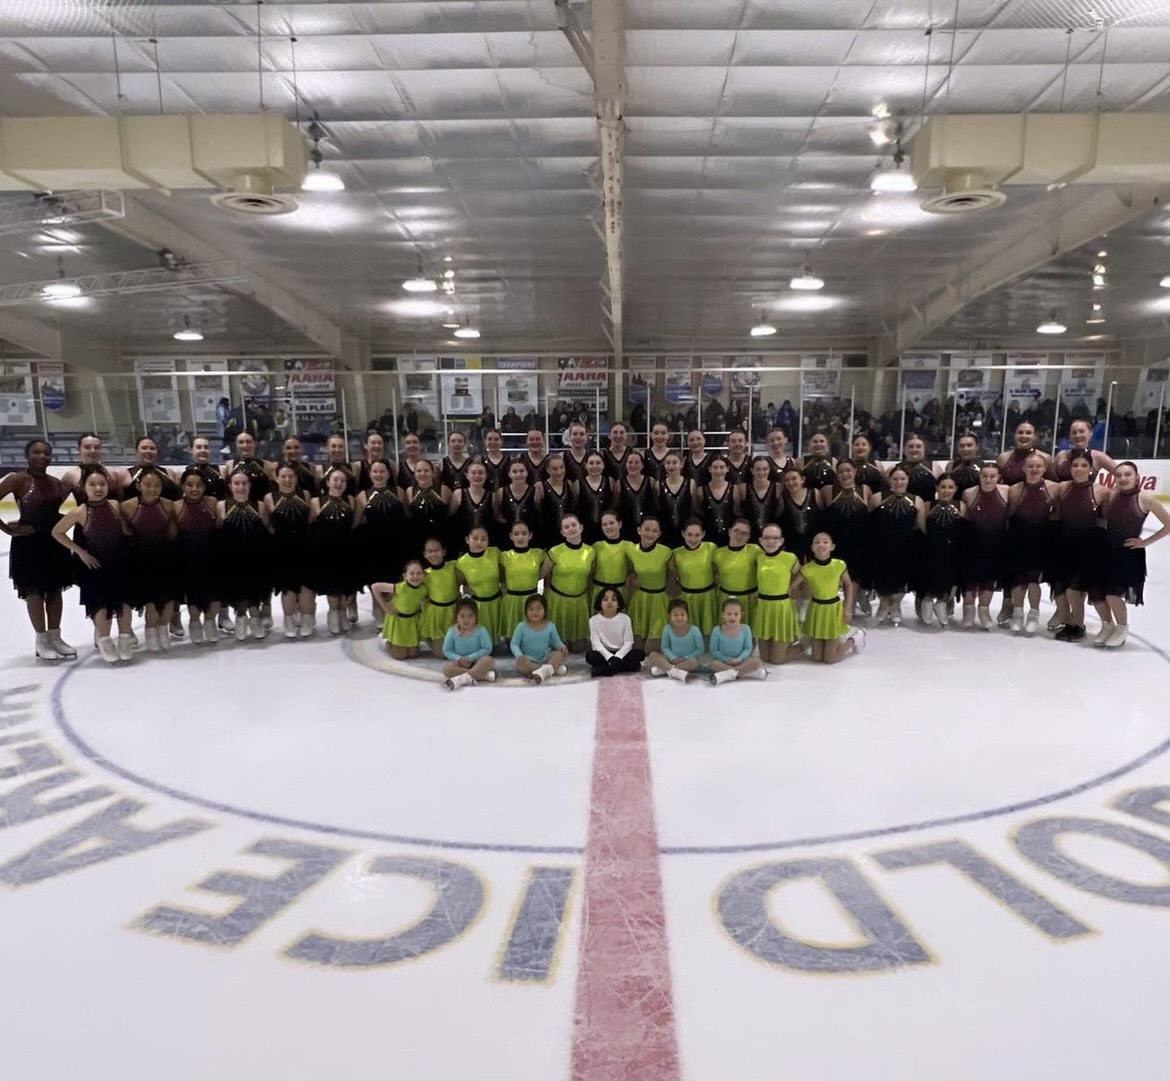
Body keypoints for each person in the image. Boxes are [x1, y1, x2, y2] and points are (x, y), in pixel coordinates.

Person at [0, 439, 76, 661]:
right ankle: (41, 640)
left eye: (46, 453)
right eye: (37, 452)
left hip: (53, 542)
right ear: (27, 455)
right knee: (34, 592)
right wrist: (7, 530)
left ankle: (56, 637)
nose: (42, 456)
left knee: (54, 591)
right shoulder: (17, 479)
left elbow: (52, 513)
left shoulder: (55, 482)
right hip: (29, 542)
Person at [51, 470, 134, 664]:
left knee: (124, 602)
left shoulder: (114, 505)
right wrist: (81, 552)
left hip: (118, 563)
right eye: (93, 485)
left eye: (102, 485)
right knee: (101, 604)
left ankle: (124, 639)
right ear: (84, 488)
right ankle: (105, 641)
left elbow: (124, 530)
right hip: (96, 566)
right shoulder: (80, 511)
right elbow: (57, 532)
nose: (98, 489)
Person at [1090, 461, 1170, 648]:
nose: (1123, 478)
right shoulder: (1112, 495)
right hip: (1105, 550)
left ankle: (1121, 627)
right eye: (1119, 475)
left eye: (1127, 475)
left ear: (1136, 478)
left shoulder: (1146, 498)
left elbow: (1168, 524)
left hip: (1127, 553)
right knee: (1096, 592)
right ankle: (1106, 625)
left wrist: (1145, 542)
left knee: (1113, 594)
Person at [1050, 449, 1107, 643]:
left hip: (1087, 547)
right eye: (1075, 465)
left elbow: (1106, 519)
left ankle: (1079, 626)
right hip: (1063, 544)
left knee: (1075, 590)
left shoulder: (1101, 491)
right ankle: (1068, 623)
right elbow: (1056, 514)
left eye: (1084, 465)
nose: (1079, 469)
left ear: (1091, 469)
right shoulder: (1062, 487)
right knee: (1059, 590)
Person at [120, 469, 177, 654]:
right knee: (150, 601)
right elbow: (125, 534)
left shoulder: (169, 505)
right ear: (138, 485)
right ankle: (150, 630)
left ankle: (163, 628)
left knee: (168, 600)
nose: (152, 489)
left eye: (157, 486)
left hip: (165, 558)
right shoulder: (127, 506)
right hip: (141, 559)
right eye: (148, 485)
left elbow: (172, 533)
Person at [1004, 451, 1060, 635]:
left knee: (1034, 580)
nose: (1034, 469)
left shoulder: (1054, 488)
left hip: (1041, 538)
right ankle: (1018, 613)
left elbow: (1057, 513)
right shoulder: (1015, 489)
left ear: (1044, 468)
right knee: (1019, 579)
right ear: (1024, 468)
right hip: (1019, 538)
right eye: (1030, 466)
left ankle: (1034, 614)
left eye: (1038, 466)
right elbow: (1010, 514)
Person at [217, 470, 272, 642]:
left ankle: (255, 619)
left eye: (244, 483)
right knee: (237, 590)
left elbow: (267, 530)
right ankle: (241, 618)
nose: (241, 487)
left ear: (249, 485)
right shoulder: (221, 506)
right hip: (231, 557)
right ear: (230, 486)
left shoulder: (260, 506)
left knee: (254, 588)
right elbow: (217, 531)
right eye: (236, 483)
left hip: (254, 556)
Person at [264, 464, 317, 638]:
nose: (287, 480)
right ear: (277, 479)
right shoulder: (269, 498)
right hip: (282, 547)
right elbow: (267, 524)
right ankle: (288, 619)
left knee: (306, 584)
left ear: (296, 478)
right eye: (283, 476)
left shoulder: (305, 495)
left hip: (304, 545)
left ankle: (308, 617)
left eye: (291, 476)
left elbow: (310, 520)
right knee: (287, 586)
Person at [868, 465, 925, 626]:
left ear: (908, 480)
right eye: (895, 479)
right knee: (882, 575)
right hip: (882, 545)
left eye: (902, 479)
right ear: (889, 480)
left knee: (901, 576)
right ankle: (884, 603)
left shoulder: (916, 500)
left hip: (905, 545)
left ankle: (896, 604)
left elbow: (920, 526)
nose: (899, 482)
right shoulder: (877, 498)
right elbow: (870, 522)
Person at [801, 531, 866, 664]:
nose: (821, 545)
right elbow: (791, 586)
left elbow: (848, 585)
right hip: (816, 610)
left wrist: (847, 608)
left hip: (833, 610)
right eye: (817, 542)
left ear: (832, 546)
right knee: (816, 657)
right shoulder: (807, 568)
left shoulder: (839, 565)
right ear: (812, 547)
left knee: (830, 658)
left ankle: (855, 638)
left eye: (825, 542)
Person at [818, 459, 872, 616]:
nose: (845, 474)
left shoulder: (865, 490)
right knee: (836, 573)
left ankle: (850, 605)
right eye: (841, 471)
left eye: (848, 470)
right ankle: (832, 605)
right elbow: (822, 514)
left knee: (855, 575)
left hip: (859, 539)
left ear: (855, 471)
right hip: (836, 539)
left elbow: (869, 513)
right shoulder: (828, 491)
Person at [174, 469, 222, 645]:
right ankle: (195, 622)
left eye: (199, 485)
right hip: (188, 557)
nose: (195, 489)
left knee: (214, 593)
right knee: (193, 594)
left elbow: (218, 527)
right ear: (183, 486)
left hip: (211, 555)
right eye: (190, 485)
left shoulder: (212, 502)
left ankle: (210, 621)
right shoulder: (176, 506)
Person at [960, 462, 1011, 630]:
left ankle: (983, 610)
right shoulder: (969, 493)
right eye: (984, 476)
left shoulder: (1006, 492)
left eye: (992, 476)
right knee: (971, 579)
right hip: (973, 542)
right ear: (979, 477)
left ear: (999, 478)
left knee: (989, 578)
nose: (988, 480)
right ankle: (968, 611)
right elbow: (965, 519)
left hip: (996, 543)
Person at [355, 460, 407, 618]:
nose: (379, 475)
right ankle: (378, 610)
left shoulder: (399, 492)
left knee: (394, 581)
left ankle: (393, 612)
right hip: (374, 546)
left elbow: (407, 517)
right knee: (376, 580)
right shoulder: (362, 496)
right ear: (370, 474)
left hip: (396, 544)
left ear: (389, 474)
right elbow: (357, 522)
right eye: (375, 471)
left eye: (382, 471)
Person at [542, 513, 595, 651]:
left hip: (579, 602)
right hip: (557, 602)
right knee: (559, 648)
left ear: (581, 527)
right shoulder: (555, 551)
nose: (571, 529)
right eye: (566, 527)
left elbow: (592, 576)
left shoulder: (591, 551)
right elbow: (541, 574)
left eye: (573, 525)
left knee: (578, 649)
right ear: (562, 532)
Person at [917, 474, 964, 627]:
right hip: (932, 548)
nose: (946, 490)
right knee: (930, 577)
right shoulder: (927, 505)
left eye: (950, 487)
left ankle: (942, 602)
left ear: (955, 489)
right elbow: (922, 527)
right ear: (937, 488)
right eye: (943, 487)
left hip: (953, 550)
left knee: (950, 581)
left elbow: (965, 529)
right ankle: (927, 601)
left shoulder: (961, 506)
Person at [752, 523, 802, 665]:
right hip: (764, 608)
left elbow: (803, 573)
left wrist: (792, 587)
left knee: (777, 659)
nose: (771, 541)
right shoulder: (759, 557)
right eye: (767, 538)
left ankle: (805, 644)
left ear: (781, 541)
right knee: (765, 658)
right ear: (761, 540)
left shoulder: (790, 558)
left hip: (781, 608)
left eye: (775, 538)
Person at [626, 516, 673, 651]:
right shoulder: (631, 550)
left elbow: (674, 576)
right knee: (638, 650)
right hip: (640, 601)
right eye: (646, 529)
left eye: (654, 531)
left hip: (659, 601)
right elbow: (630, 573)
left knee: (652, 650)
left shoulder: (665, 552)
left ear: (659, 534)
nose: (650, 534)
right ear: (639, 530)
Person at [455, 525, 503, 643]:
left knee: (495, 645)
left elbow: (504, 573)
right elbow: (461, 585)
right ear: (467, 539)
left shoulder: (495, 553)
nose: (479, 542)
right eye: (475, 538)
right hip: (477, 607)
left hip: (496, 604)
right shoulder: (462, 562)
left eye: (483, 539)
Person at [672, 518, 718, 634]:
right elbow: (674, 575)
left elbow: (717, 570)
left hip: (708, 597)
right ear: (683, 534)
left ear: (703, 534)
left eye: (697, 535)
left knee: (709, 631)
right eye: (689, 534)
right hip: (687, 599)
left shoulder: (711, 548)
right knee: (690, 632)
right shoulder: (676, 553)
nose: (693, 539)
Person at [499, 521, 545, 636]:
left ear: (530, 535)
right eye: (516, 534)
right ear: (511, 536)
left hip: (531, 601)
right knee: (511, 642)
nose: (520, 537)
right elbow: (501, 575)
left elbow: (548, 571)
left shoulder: (538, 554)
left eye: (524, 533)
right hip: (512, 602)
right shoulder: (504, 556)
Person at [373, 560, 426, 659]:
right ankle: (387, 641)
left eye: (419, 573)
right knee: (400, 656)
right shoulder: (400, 587)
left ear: (424, 575)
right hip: (398, 621)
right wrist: (385, 606)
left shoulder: (423, 589)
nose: (415, 576)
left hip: (412, 621)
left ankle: (403, 644)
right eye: (411, 573)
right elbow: (375, 587)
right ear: (405, 576)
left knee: (413, 654)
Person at [510, 594, 569, 683]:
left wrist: (562, 647)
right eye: (531, 609)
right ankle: (549, 669)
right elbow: (514, 644)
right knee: (522, 665)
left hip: (545, 657)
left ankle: (543, 670)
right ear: (526, 611)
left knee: (561, 654)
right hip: (528, 659)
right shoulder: (521, 626)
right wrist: (519, 656)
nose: (535, 612)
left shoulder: (550, 626)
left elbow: (556, 642)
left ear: (545, 610)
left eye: (538, 609)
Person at [586, 587, 644, 677]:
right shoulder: (593, 620)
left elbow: (628, 642)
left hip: (622, 653)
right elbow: (596, 644)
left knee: (639, 654)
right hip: (604, 653)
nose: (609, 602)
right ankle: (620, 667)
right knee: (590, 656)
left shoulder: (625, 619)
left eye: (613, 599)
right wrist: (609, 657)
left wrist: (618, 657)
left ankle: (606, 669)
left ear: (618, 604)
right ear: (600, 603)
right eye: (605, 599)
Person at [442, 599, 496, 690]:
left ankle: (462, 678)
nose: (466, 620)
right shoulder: (452, 631)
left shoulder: (481, 630)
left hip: (477, 662)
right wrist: (459, 658)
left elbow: (487, 648)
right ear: (456, 617)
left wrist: (470, 658)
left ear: (476, 617)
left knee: (488, 660)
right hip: (460, 663)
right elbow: (447, 650)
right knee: (447, 669)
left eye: (470, 616)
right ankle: (482, 676)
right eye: (462, 616)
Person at [708, 597, 766, 683]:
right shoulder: (717, 630)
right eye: (729, 614)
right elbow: (714, 651)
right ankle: (743, 673)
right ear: (723, 614)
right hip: (724, 662)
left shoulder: (746, 629)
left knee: (756, 662)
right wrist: (726, 659)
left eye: (736, 614)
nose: (732, 617)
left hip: (741, 661)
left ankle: (729, 674)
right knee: (713, 664)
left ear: (741, 614)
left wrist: (739, 658)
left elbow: (748, 649)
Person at [60, 432, 129, 503]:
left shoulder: (114, 473)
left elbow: (123, 503)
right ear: (79, 450)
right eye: (87, 447)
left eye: (96, 447)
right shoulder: (71, 476)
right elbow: (55, 505)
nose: (93, 451)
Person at [647, 598, 705, 681]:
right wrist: (673, 658)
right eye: (675, 615)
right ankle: (674, 670)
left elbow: (700, 649)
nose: (679, 618)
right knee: (652, 655)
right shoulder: (667, 629)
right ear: (669, 616)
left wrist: (686, 657)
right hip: (671, 660)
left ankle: (666, 670)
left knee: (695, 663)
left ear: (687, 615)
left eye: (682, 615)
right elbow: (665, 647)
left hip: (687, 661)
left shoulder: (694, 630)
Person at [419, 536, 459, 656]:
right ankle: (431, 639)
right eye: (430, 551)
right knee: (441, 654)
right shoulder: (425, 574)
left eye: (436, 550)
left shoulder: (453, 566)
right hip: (436, 614)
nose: (433, 554)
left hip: (453, 611)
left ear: (444, 552)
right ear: (425, 554)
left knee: (459, 648)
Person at [713, 518, 758, 624]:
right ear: (729, 531)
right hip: (726, 599)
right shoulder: (717, 553)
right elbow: (713, 574)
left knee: (749, 633)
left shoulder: (755, 551)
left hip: (749, 599)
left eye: (744, 533)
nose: (739, 535)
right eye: (736, 531)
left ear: (749, 536)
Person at [406, 458, 449, 560]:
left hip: (440, 534)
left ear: (432, 473)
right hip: (418, 536)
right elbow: (408, 514)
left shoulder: (444, 490)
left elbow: (450, 513)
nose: (422, 474)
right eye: (419, 471)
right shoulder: (409, 491)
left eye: (426, 470)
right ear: (414, 473)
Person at [448, 460, 494, 551]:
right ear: (467, 476)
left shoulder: (493, 496)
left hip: (485, 544)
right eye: (473, 473)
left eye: (481, 473)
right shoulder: (458, 494)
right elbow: (450, 517)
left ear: (486, 476)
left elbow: (496, 518)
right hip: (463, 543)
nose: (477, 476)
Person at [493, 458, 540, 543]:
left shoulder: (535, 492)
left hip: (530, 539)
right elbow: (497, 516)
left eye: (522, 471)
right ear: (509, 474)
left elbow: (538, 514)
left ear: (527, 473)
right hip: (506, 539)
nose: (518, 474)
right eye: (514, 472)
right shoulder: (501, 492)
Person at [996, 420, 1055, 486]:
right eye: (1020, 432)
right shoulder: (1003, 458)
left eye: (1028, 433)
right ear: (1015, 435)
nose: (1024, 436)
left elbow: (1053, 486)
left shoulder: (1045, 458)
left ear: (1035, 436)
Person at [537, 453, 575, 551]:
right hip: (549, 537)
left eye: (562, 467)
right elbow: (537, 513)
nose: (559, 472)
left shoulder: (570, 484)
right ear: (547, 470)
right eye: (554, 469)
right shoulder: (540, 487)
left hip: (569, 535)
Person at [778, 467, 818, 563]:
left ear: (802, 479)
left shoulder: (816, 493)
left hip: (814, 546)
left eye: (794, 478)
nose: (791, 482)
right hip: (792, 547)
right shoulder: (782, 498)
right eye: (787, 480)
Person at [616, 450, 658, 540]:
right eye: (630, 462)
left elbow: (657, 506)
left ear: (642, 465)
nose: (633, 465)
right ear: (626, 464)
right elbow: (615, 507)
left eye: (637, 462)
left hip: (648, 530)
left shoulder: (651, 481)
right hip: (626, 530)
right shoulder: (619, 483)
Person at [219, 431, 270, 505]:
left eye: (248, 442)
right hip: (235, 509)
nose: (245, 445)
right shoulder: (229, 465)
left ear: (255, 443)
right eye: (241, 442)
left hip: (259, 509)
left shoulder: (266, 465)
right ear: (236, 444)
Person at [576, 451, 616, 544]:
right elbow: (575, 506)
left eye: (598, 463)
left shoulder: (610, 481)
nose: (594, 466)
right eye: (591, 463)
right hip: (585, 531)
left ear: (603, 465)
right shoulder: (578, 484)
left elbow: (614, 505)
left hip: (606, 530)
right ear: (585, 465)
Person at [694, 454, 735, 548]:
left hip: (729, 538)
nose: (718, 471)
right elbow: (698, 512)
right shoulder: (700, 490)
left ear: (727, 469)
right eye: (715, 467)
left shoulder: (735, 489)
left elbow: (737, 512)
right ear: (709, 469)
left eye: (722, 467)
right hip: (707, 538)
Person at [592, 510, 631, 605]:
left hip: (620, 593)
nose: (608, 527)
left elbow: (632, 570)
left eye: (611, 523)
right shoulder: (596, 546)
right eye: (604, 524)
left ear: (620, 524)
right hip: (599, 593)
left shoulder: (629, 546)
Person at [125, 435, 181, 500]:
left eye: (152, 448)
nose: (149, 451)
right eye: (144, 448)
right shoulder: (125, 475)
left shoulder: (170, 473)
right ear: (136, 451)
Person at [741, 456, 781, 542]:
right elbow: (737, 511)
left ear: (769, 469)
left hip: (772, 538)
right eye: (758, 469)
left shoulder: (779, 487)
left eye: (765, 469)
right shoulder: (743, 488)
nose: (761, 472)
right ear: (752, 471)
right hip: (749, 538)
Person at [657, 451, 692, 550]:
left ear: (681, 464)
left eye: (674, 463)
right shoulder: (658, 484)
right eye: (668, 463)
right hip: (665, 533)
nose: (671, 466)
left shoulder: (691, 483)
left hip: (686, 533)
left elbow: (695, 508)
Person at [894, 434, 938, 504]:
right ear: (904, 449)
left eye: (918, 447)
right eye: (911, 447)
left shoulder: (935, 468)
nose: (914, 449)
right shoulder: (895, 469)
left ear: (924, 449)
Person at [946, 432, 984, 497]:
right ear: (958, 448)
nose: (965, 449)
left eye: (969, 445)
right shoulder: (951, 466)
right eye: (962, 446)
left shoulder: (984, 467)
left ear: (977, 447)